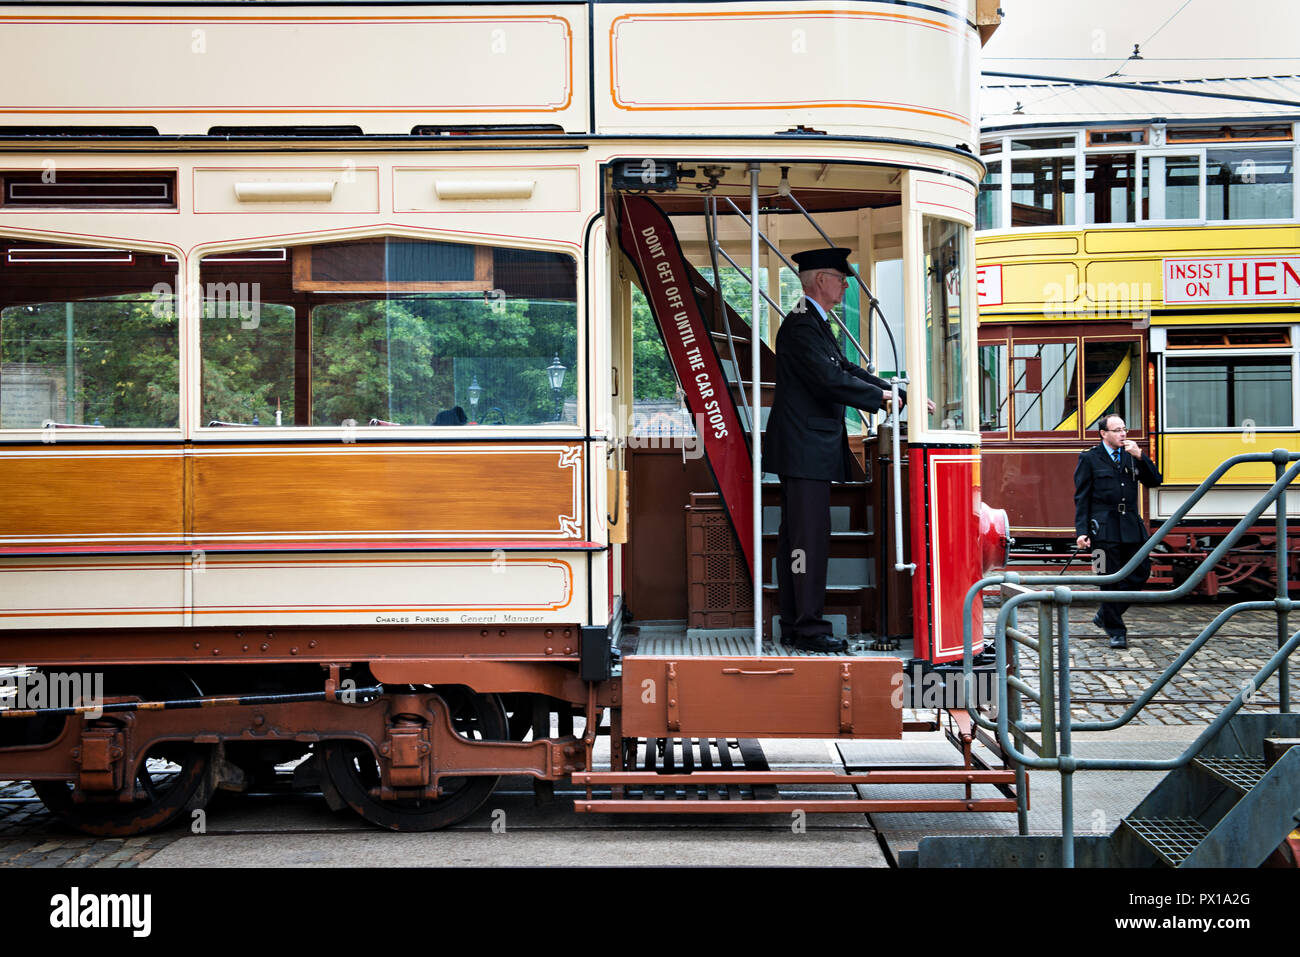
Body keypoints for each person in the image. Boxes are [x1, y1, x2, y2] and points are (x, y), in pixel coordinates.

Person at [762, 247, 896, 654]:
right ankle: (807, 628)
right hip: (804, 449)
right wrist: (883, 399)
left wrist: (892, 391)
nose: (845, 285)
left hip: (808, 448)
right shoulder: (803, 325)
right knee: (806, 541)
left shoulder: (814, 322)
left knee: (803, 539)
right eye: (840, 278)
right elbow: (829, 380)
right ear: (821, 280)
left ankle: (798, 622)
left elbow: (844, 370)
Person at [1073, 414, 1163, 649]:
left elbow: (1155, 481)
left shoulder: (1132, 456)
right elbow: (1081, 498)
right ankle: (1116, 631)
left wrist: (1141, 456)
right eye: (1117, 430)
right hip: (1102, 530)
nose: (1123, 434)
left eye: (1124, 429)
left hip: (1131, 526)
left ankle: (1105, 614)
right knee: (1106, 579)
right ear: (1104, 433)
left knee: (1141, 571)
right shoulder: (1089, 458)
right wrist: (1081, 531)